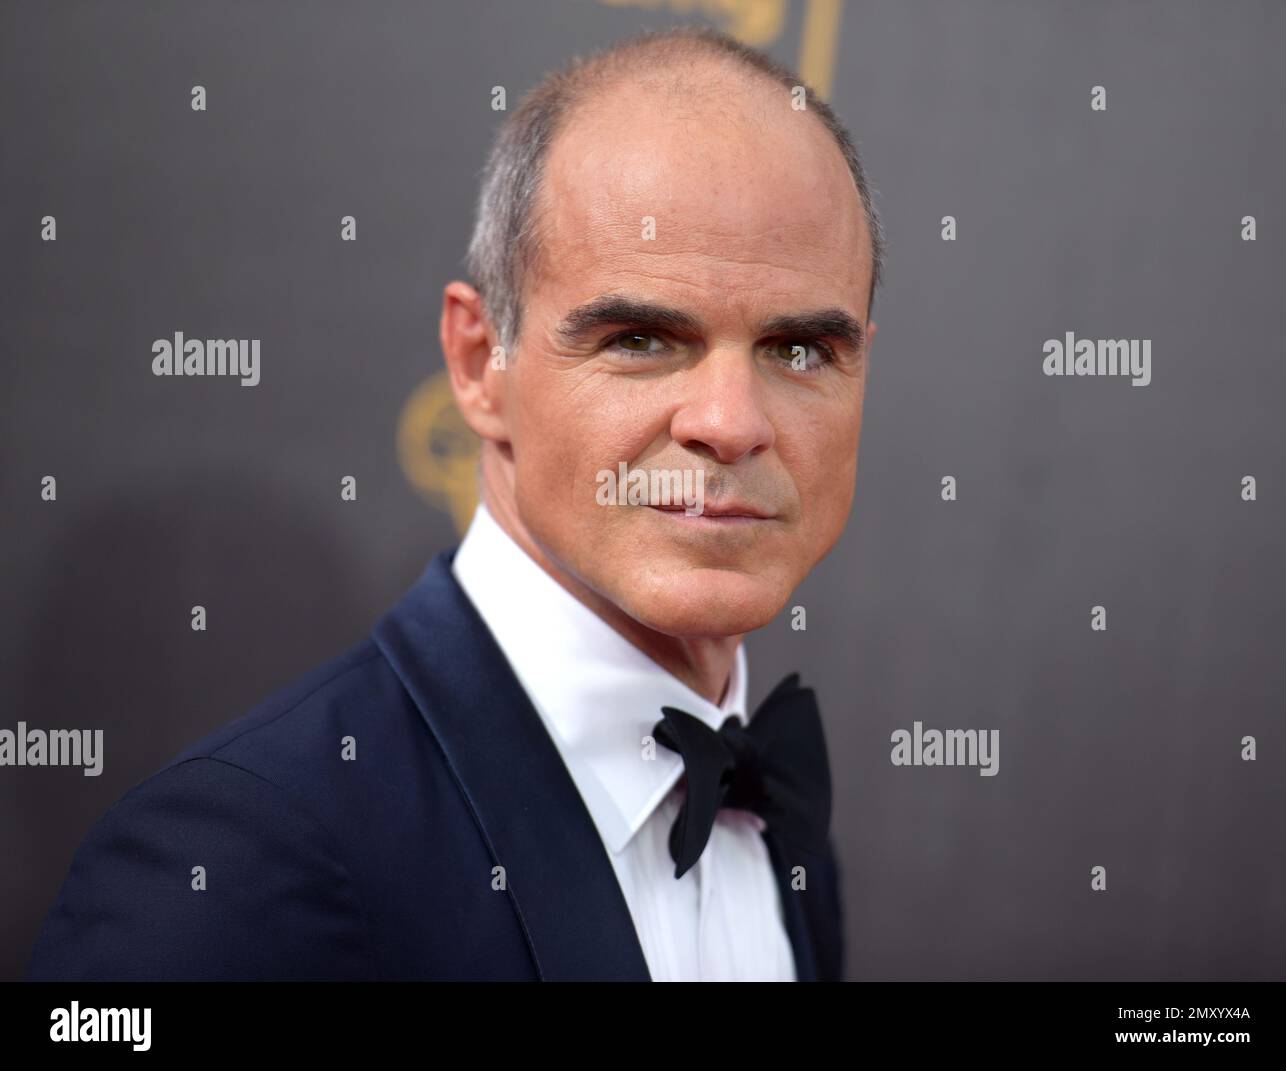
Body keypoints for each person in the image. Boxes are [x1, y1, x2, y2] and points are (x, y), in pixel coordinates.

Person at [26, 24, 883, 982]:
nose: (731, 422)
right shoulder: (236, 861)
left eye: (799, 350)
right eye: (641, 338)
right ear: (481, 366)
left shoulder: (783, 826)